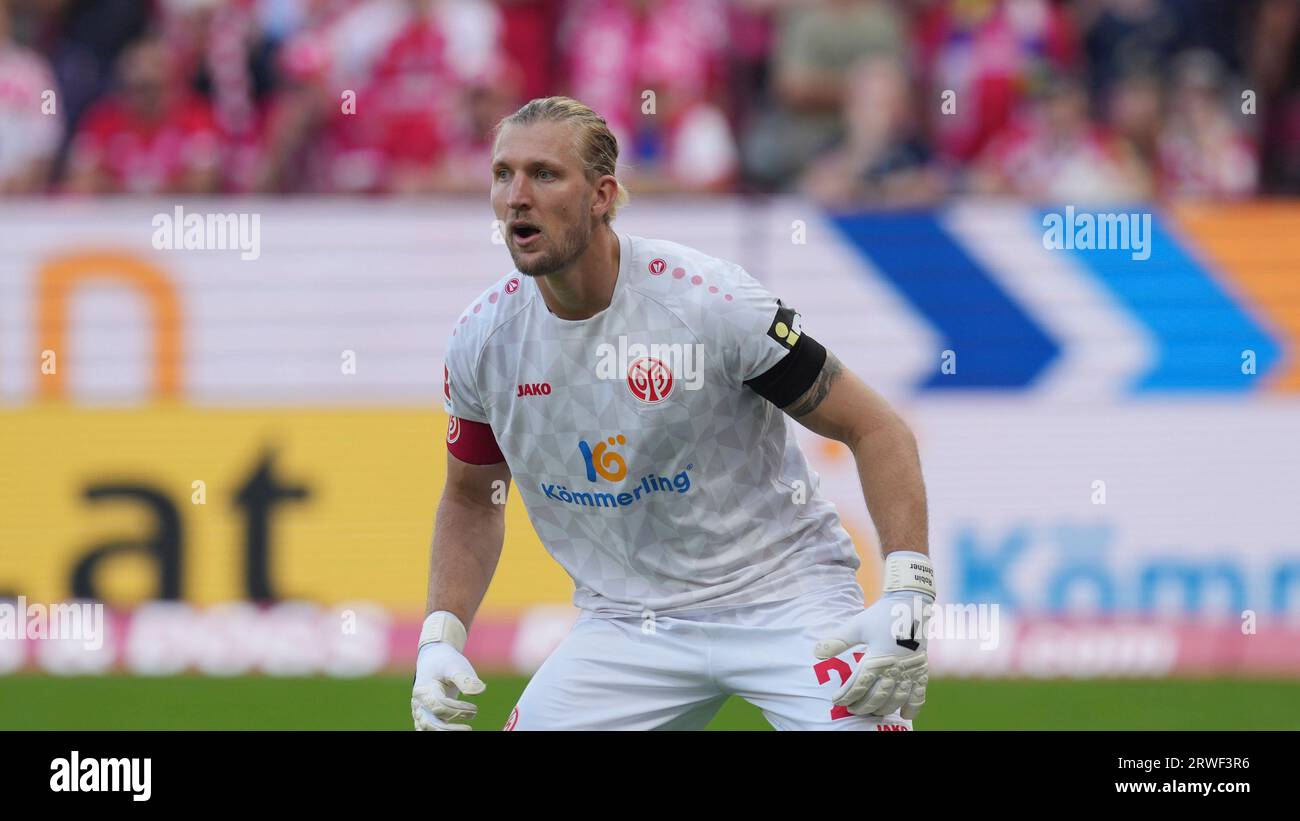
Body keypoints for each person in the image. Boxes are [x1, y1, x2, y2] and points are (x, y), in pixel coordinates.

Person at [412, 96, 934, 731]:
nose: (516, 196)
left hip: (784, 599)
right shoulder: (482, 340)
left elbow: (875, 426)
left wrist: (907, 590)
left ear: (602, 195)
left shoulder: (708, 301)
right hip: (628, 624)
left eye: (544, 174)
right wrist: (440, 636)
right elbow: (472, 499)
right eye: (502, 174)